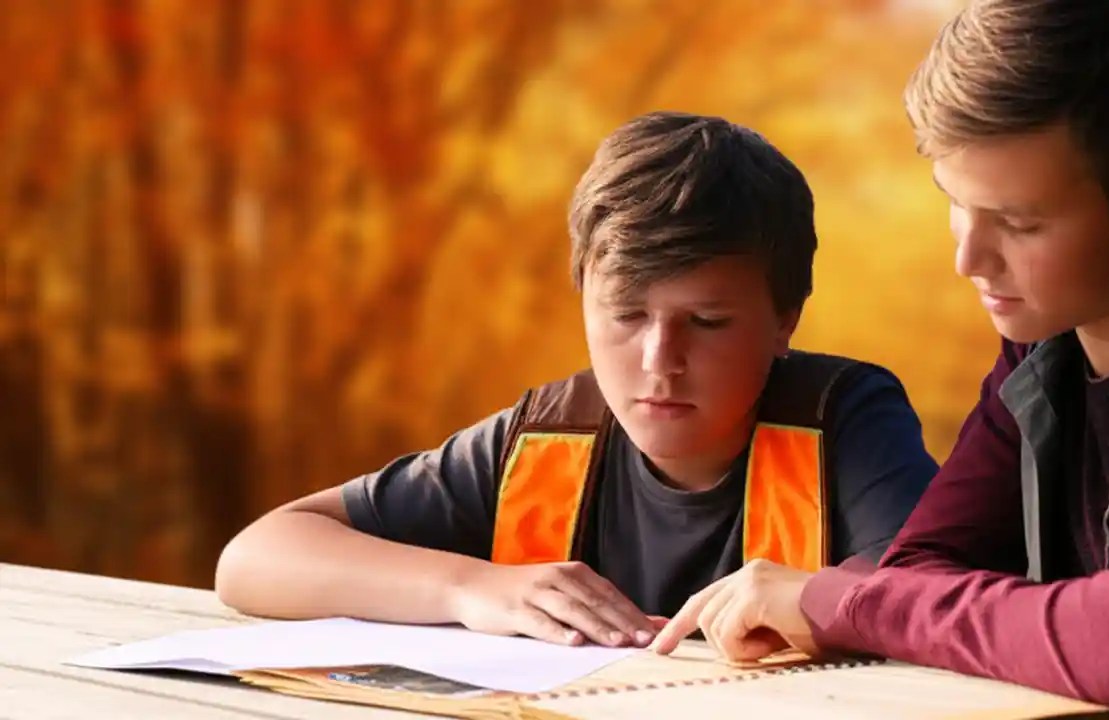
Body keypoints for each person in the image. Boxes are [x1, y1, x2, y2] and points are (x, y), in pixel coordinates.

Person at [652, 3, 1109, 717]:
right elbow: (918, 569)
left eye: (1017, 223)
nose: (968, 259)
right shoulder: (1047, 342)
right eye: (954, 201)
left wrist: (837, 602)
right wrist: (868, 604)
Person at [216, 111, 937, 651]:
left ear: (785, 320)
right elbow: (255, 558)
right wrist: (472, 587)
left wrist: (812, 601)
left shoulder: (846, 420)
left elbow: (929, 593)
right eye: (626, 314)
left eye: (707, 322)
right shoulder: (545, 440)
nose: (659, 360)